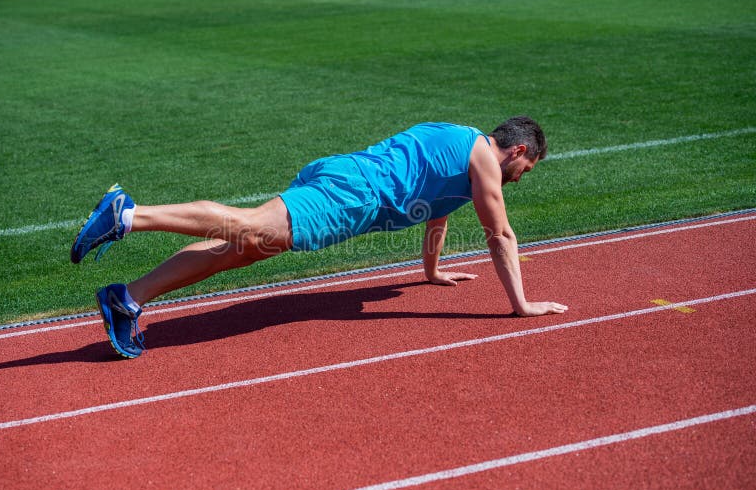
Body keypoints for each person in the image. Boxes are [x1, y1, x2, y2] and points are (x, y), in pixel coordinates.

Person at [71, 117, 568, 358]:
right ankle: (129, 215)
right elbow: (500, 233)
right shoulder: (483, 158)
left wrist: (432, 271)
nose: (521, 177)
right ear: (518, 149)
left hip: (343, 177)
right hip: (355, 194)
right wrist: (521, 305)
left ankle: (126, 300)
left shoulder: (464, 152)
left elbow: (434, 212)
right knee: (247, 226)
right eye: (526, 167)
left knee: (238, 252)